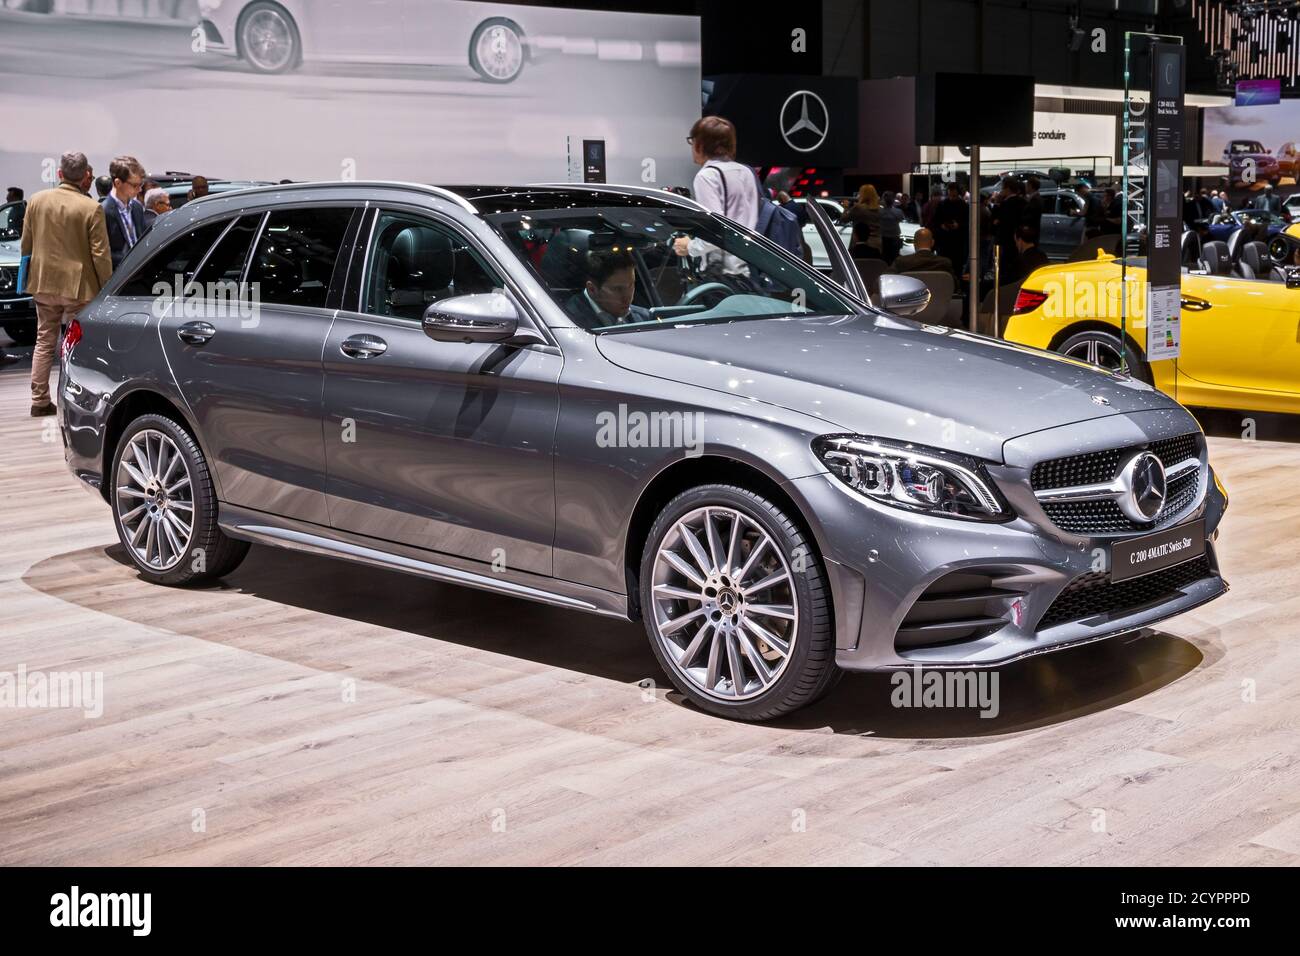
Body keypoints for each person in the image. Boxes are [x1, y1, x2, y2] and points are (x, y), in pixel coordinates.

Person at [19, 151, 112, 417]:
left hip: (43, 283)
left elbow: (26, 245)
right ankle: (75, 402)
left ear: (59, 173)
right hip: (79, 287)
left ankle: (39, 400)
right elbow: (100, 256)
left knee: (44, 341)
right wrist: (107, 288)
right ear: (85, 176)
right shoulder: (90, 207)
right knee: (76, 346)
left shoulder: (36, 201)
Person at [671, 116, 758, 279]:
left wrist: (689, 246)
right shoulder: (745, 172)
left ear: (700, 144)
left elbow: (715, 230)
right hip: (745, 270)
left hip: (720, 272)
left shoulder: (707, 176)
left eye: (692, 141)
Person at [563, 249, 652, 330]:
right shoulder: (568, 322)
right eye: (618, 289)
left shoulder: (645, 317)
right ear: (592, 289)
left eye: (631, 285)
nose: (628, 297)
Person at [101, 155, 147, 269]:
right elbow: (103, 253)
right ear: (118, 183)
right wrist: (131, 260)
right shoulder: (103, 211)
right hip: (119, 274)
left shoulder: (137, 207)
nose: (140, 189)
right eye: (135, 185)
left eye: (140, 185)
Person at [931, 181, 968, 279]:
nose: (951, 198)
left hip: (957, 243)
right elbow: (935, 221)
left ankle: (956, 283)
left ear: (958, 194)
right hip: (944, 241)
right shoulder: (942, 204)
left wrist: (958, 225)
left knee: (957, 267)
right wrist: (942, 225)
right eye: (950, 195)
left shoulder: (963, 205)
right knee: (943, 266)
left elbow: (968, 223)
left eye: (954, 196)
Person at [838, 184, 882, 257]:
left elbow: (843, 219)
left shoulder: (859, 208)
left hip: (860, 243)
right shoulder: (879, 209)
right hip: (877, 242)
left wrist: (846, 208)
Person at [879, 189, 904, 263]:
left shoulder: (879, 211)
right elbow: (901, 219)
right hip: (894, 238)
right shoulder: (898, 211)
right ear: (893, 200)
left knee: (884, 259)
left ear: (883, 199)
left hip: (883, 238)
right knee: (894, 259)